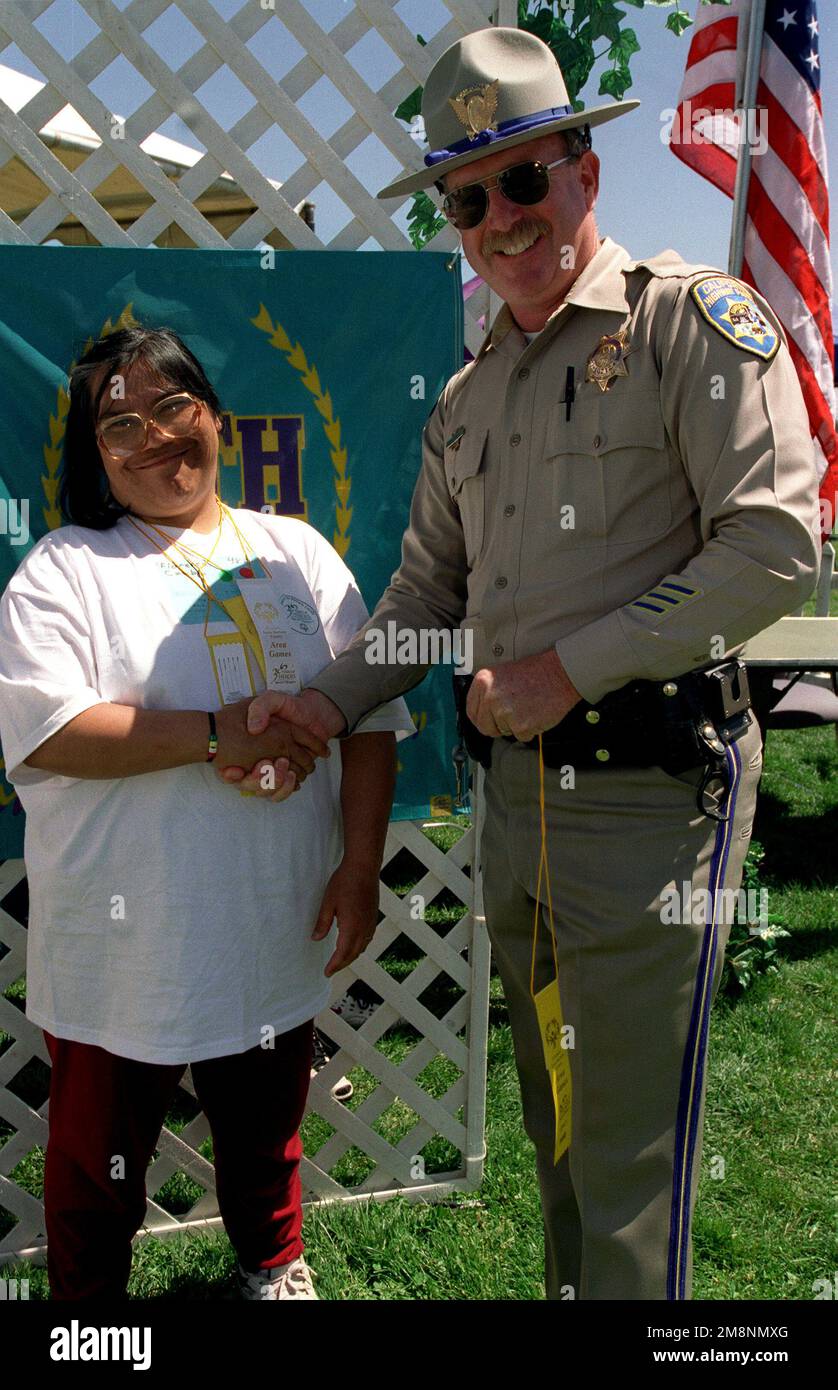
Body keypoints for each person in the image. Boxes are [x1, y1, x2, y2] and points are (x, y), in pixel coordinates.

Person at [222, 27, 821, 1301]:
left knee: (626, 1169)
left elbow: (774, 549)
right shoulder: (468, 398)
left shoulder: (686, 328)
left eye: (522, 180)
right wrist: (320, 703)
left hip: (652, 809)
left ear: (585, 172)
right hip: (521, 812)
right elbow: (424, 599)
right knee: (557, 1139)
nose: (499, 219)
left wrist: (567, 669)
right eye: (467, 197)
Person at [0, 325, 412, 1301]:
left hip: (272, 919)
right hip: (124, 941)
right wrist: (218, 734)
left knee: (267, 1122)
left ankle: (272, 1267)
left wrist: (357, 866)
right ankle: (91, 1318)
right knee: (98, 1156)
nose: (153, 436)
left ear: (216, 417)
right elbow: (46, 729)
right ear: (95, 456)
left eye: (173, 406)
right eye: (119, 423)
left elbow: (370, 718)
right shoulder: (65, 567)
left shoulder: (298, 552)